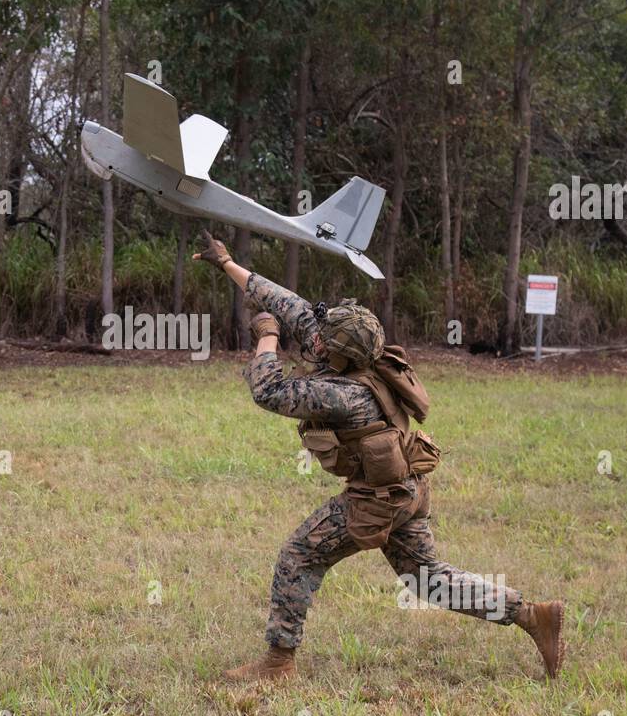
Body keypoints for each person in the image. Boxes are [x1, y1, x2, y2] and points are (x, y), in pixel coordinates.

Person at [193, 231, 566, 683]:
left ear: (336, 352)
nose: (315, 336)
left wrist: (267, 338)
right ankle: (531, 615)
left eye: (324, 335)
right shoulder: (361, 355)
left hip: (377, 500)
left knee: (297, 556)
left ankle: (277, 664)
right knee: (429, 580)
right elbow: (288, 301)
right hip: (406, 489)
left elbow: (269, 390)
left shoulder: (343, 395)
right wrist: (227, 263)